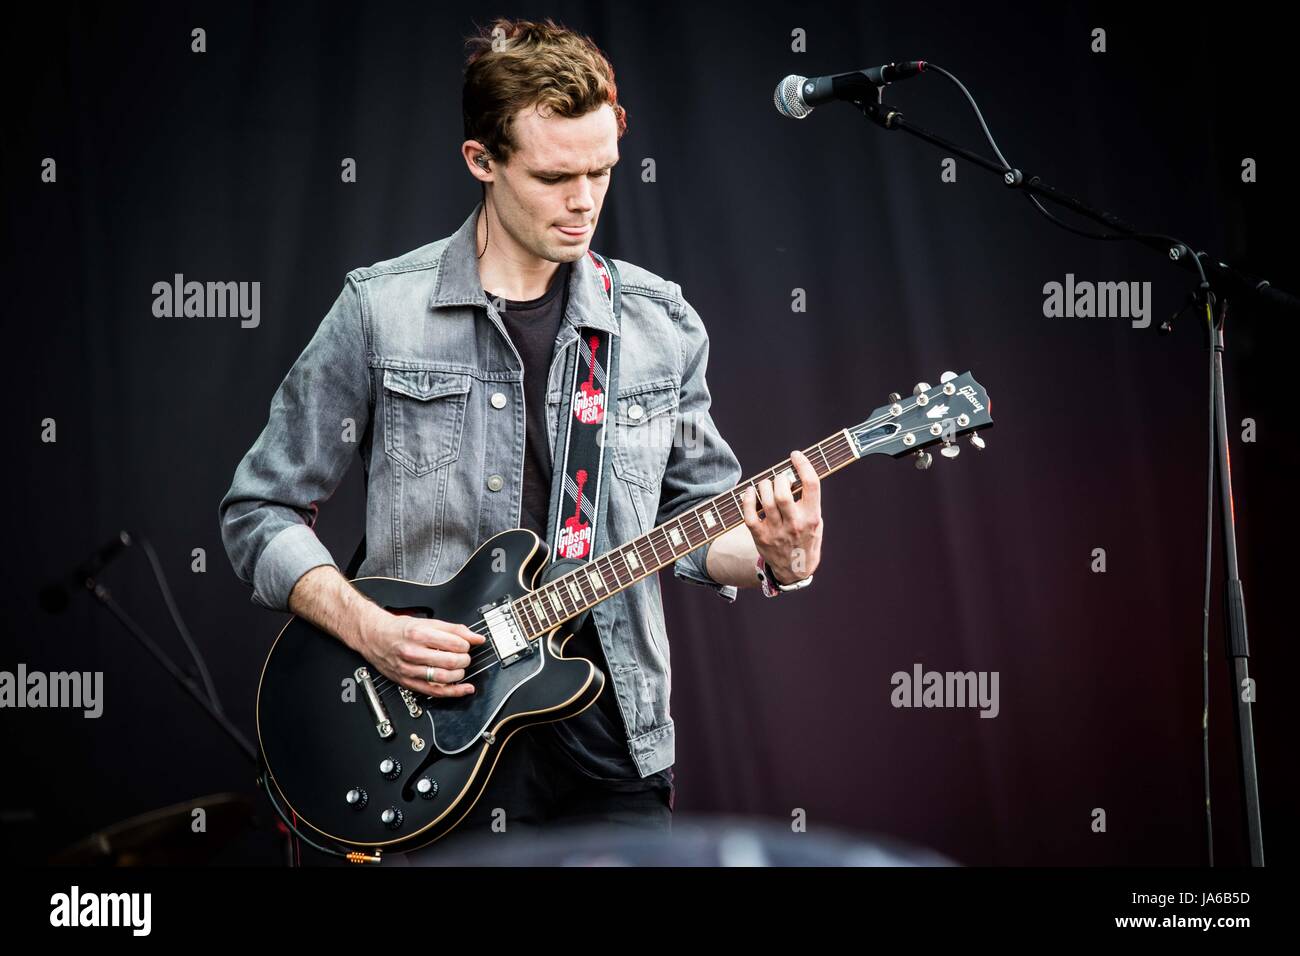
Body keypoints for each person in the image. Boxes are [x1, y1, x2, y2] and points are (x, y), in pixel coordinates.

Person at [218, 16, 824, 861]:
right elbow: (259, 513)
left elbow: (696, 527)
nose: (584, 202)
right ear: (482, 161)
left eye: (602, 171)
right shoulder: (380, 313)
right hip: (425, 732)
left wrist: (774, 558)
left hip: (611, 737)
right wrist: (370, 629)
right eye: (554, 176)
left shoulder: (657, 322)